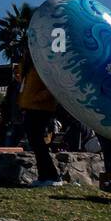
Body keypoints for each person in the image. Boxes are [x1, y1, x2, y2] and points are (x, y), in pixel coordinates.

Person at [19, 48, 63, 187]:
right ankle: (44, 176)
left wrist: (36, 99)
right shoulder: (29, 68)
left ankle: (53, 176)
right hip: (29, 108)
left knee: (39, 143)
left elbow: (52, 87)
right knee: (35, 144)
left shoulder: (43, 67)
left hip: (41, 109)